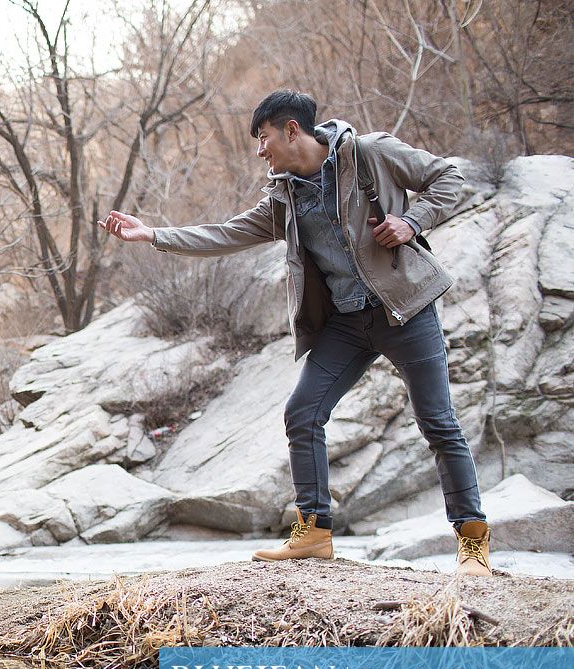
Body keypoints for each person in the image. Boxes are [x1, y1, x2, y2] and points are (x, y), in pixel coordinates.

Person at [98, 89, 492, 575]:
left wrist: (412, 221)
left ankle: (473, 543)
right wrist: (153, 235)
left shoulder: (371, 153)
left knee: (437, 422)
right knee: (302, 413)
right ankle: (314, 533)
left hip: (405, 310)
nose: (260, 150)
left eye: (263, 138)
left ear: (291, 130)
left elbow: (449, 176)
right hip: (347, 323)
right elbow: (225, 233)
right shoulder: (283, 197)